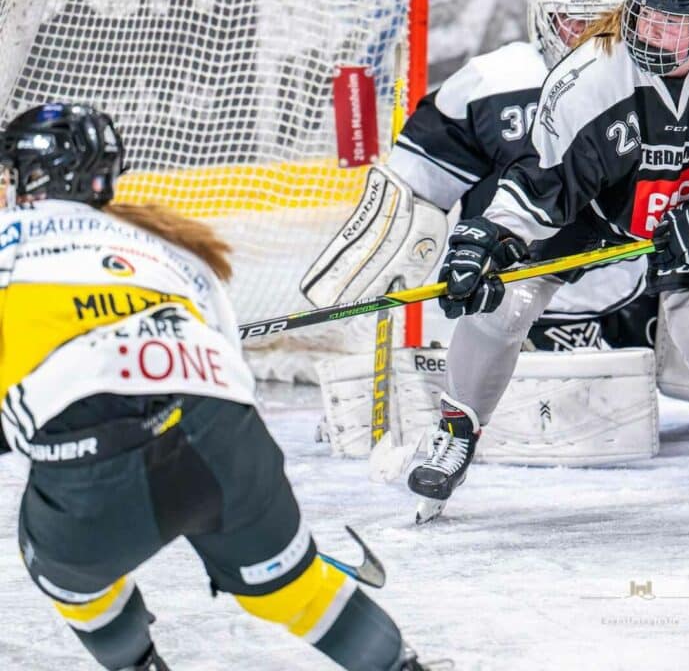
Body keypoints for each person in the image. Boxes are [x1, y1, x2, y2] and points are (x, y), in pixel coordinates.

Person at [0, 104, 438, 671]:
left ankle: (136, 663)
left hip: (94, 469)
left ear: (33, 175)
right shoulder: (169, 248)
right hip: (226, 440)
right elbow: (230, 370)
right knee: (294, 591)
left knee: (75, 584)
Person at [411, 0, 689, 525]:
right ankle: (454, 435)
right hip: (592, 212)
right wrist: (490, 237)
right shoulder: (587, 79)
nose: (650, 32)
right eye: (644, 14)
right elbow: (542, 179)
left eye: (670, 23)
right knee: (505, 302)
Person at [301, 0, 657, 355]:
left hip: (623, 285)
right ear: (546, 21)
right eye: (571, 23)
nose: (584, 36)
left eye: (599, 23)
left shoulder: (652, 81)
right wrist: (388, 246)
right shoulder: (494, 81)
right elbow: (415, 189)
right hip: (507, 289)